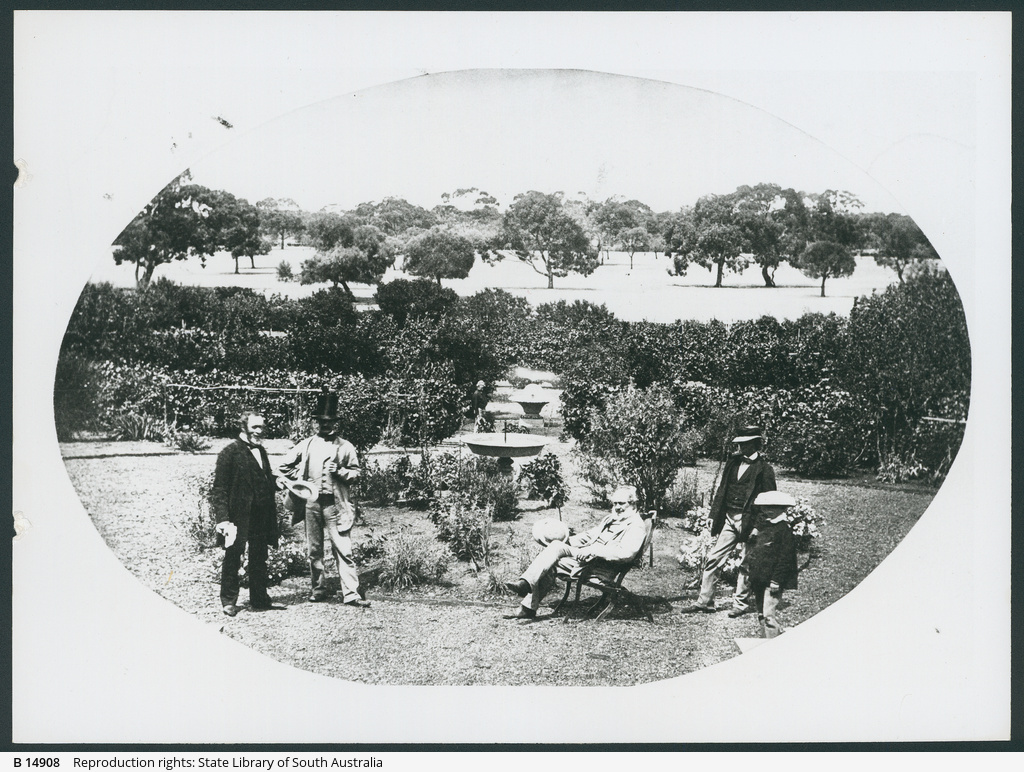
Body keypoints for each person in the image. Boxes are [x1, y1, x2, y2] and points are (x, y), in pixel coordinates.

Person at [278, 391, 370, 608]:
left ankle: (351, 593)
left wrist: (339, 471)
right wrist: (299, 481)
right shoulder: (307, 444)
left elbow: (356, 473)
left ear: (335, 423)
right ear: (316, 423)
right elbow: (283, 467)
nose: (325, 426)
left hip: (335, 506)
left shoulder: (345, 446)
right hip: (311, 504)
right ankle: (319, 589)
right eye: (321, 422)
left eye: (329, 422)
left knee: (343, 549)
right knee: (314, 550)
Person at [504, 485, 649, 620]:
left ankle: (527, 600)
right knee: (555, 547)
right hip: (586, 558)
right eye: (614, 503)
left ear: (633, 504)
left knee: (552, 560)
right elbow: (589, 535)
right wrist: (567, 541)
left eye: (621, 503)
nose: (617, 507)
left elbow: (626, 553)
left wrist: (594, 551)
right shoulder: (611, 519)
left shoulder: (636, 526)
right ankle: (526, 587)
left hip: (600, 567)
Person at [683, 424, 777, 616]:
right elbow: (722, 490)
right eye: (739, 444)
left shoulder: (764, 469)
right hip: (729, 519)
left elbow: (769, 502)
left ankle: (740, 604)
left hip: (749, 521)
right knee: (713, 559)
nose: (740, 447)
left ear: (754, 444)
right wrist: (713, 515)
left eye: (744, 444)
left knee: (746, 564)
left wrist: (758, 527)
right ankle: (705, 602)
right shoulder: (732, 463)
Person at [211, 411, 286, 617]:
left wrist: (276, 482)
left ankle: (259, 599)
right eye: (254, 427)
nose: (259, 431)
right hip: (238, 516)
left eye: (261, 427)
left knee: (259, 556)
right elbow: (219, 489)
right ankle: (228, 601)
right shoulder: (229, 453)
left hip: (261, 514)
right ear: (243, 427)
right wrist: (223, 519)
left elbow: (261, 478)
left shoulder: (261, 450)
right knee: (233, 556)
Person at [742, 491, 799, 638]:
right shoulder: (764, 526)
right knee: (761, 613)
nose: (769, 510)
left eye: (774, 507)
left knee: (769, 615)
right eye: (766, 506)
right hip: (760, 577)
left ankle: (772, 643)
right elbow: (756, 553)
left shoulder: (784, 530)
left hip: (772, 580)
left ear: (783, 508)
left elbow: (785, 559)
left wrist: (776, 580)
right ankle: (766, 640)